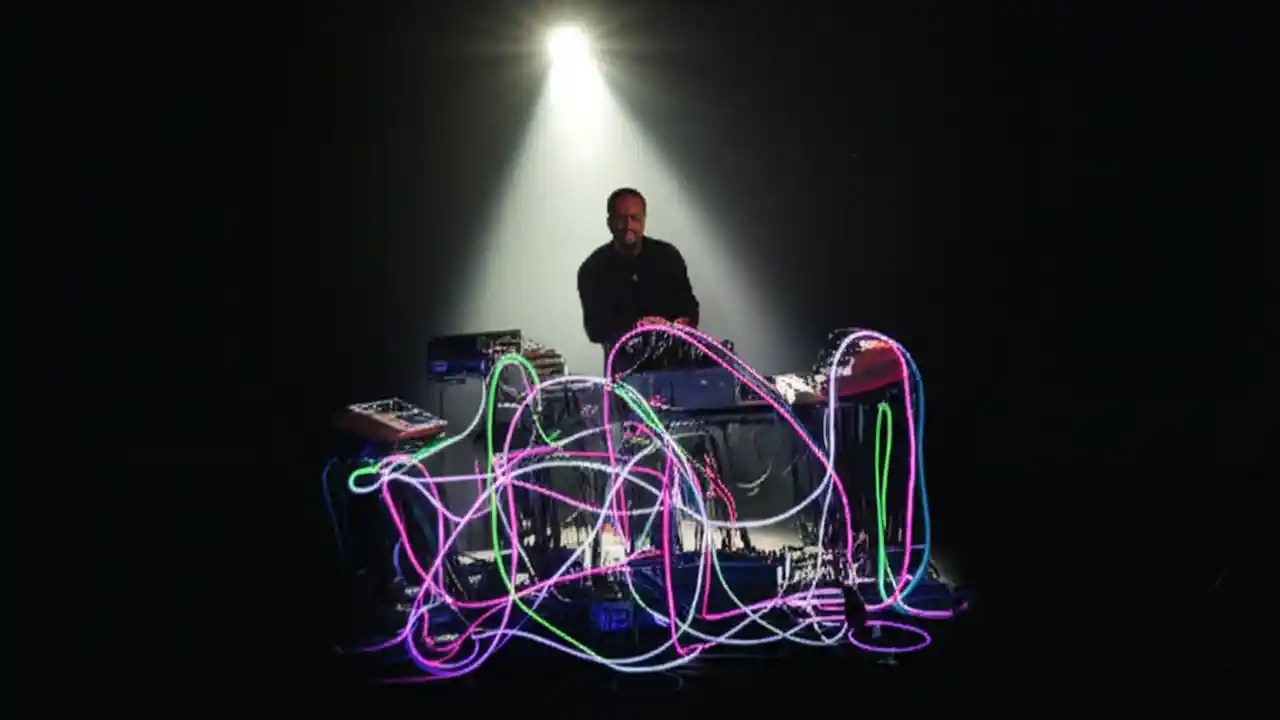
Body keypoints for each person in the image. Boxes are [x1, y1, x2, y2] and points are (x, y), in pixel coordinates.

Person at [576, 188, 700, 360]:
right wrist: (635, 327)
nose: (629, 226)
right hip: (624, 370)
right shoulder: (593, 269)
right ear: (609, 222)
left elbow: (690, 307)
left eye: (635, 218)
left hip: (673, 365)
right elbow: (595, 330)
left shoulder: (668, 257)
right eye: (621, 219)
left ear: (643, 220)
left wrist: (683, 322)